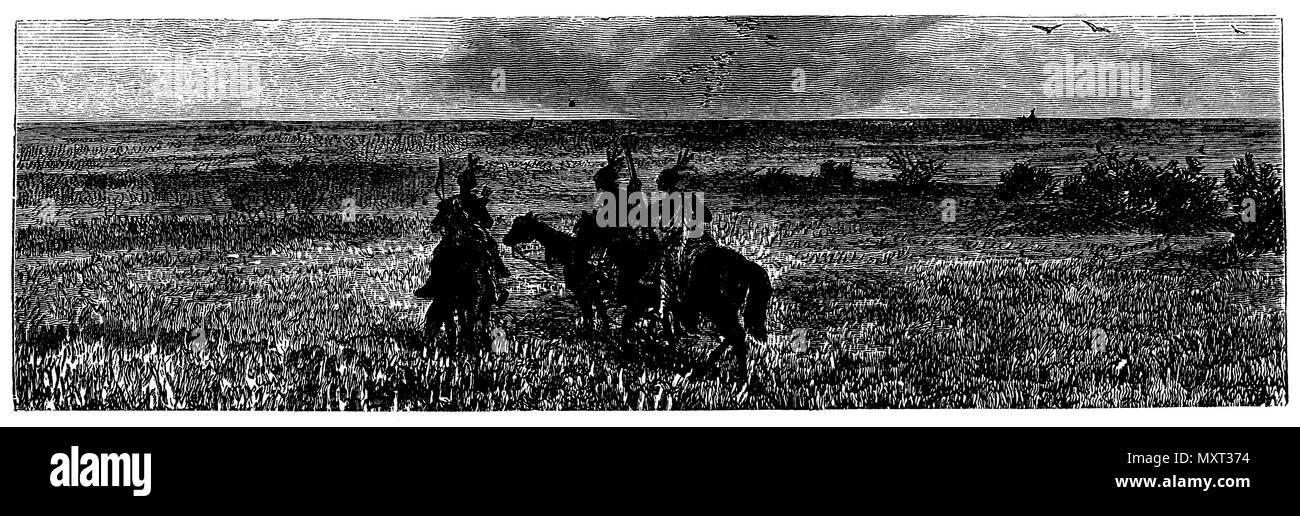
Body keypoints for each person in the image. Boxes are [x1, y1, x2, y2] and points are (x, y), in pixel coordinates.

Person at [416, 154, 510, 305]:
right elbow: (488, 223)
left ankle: (432, 286)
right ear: (471, 186)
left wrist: (440, 224)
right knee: (491, 252)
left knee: (438, 257)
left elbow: (435, 225)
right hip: (473, 239)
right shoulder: (474, 202)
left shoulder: (451, 202)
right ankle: (497, 287)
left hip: (453, 240)